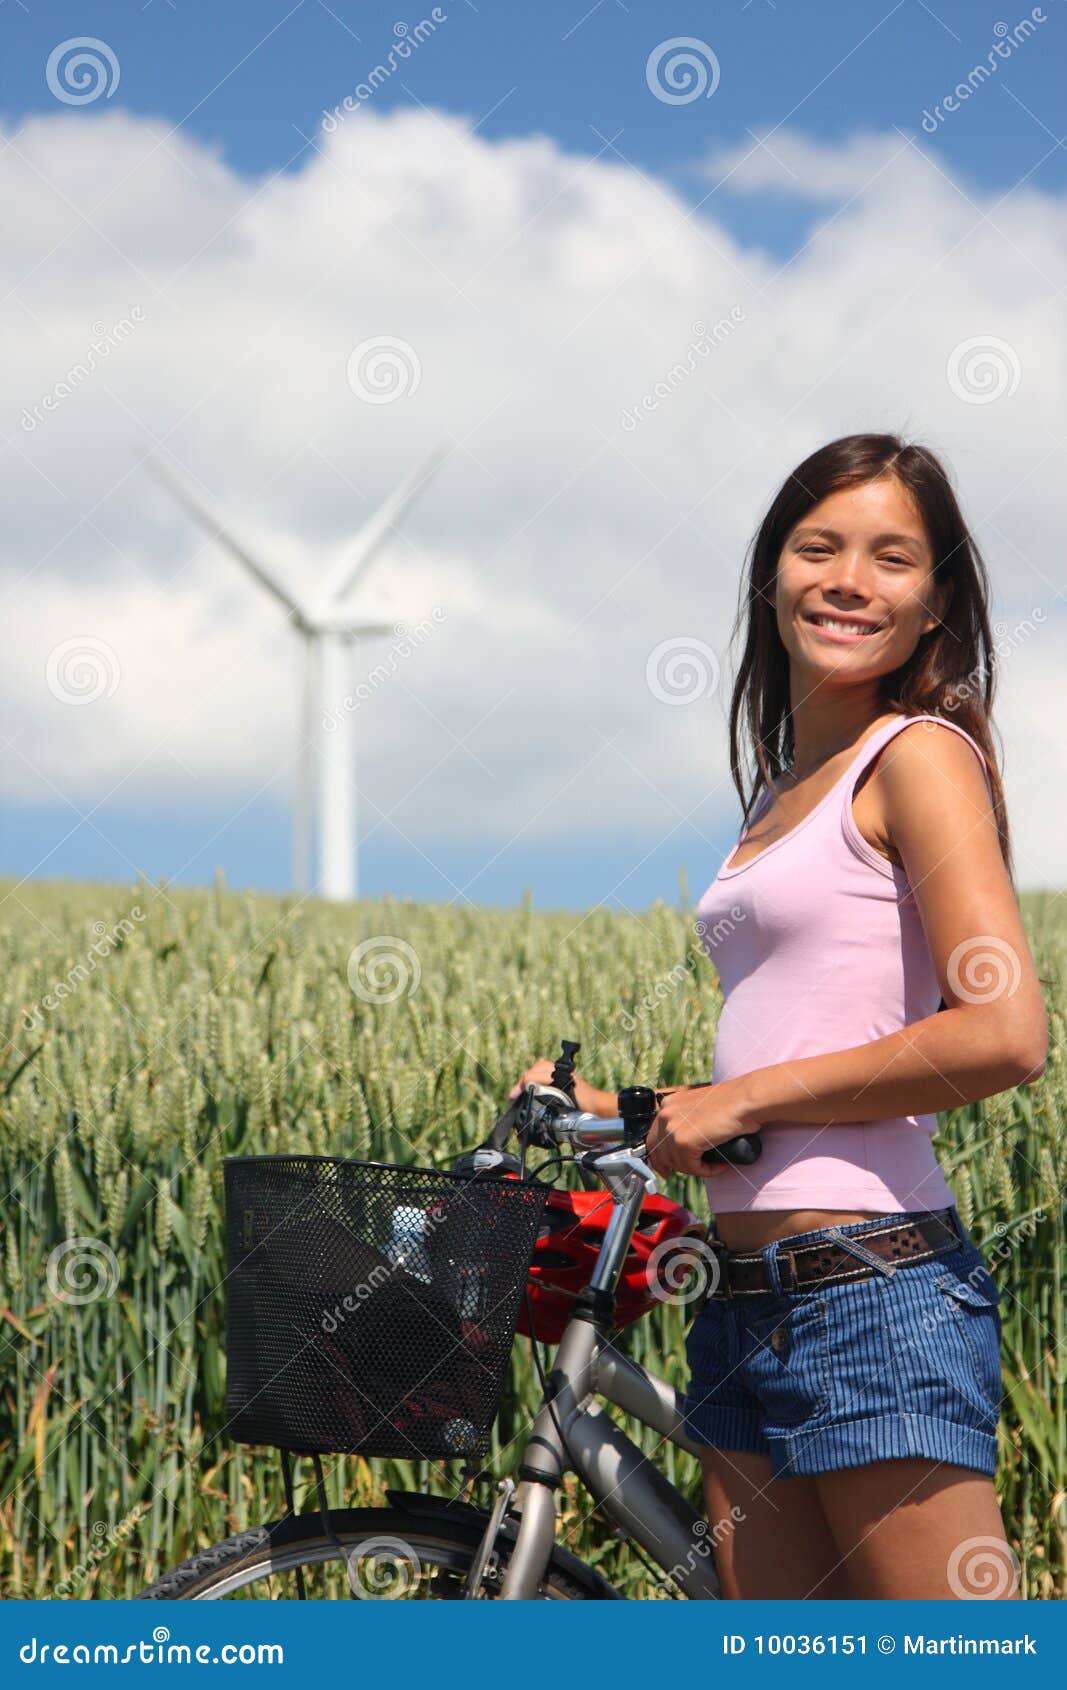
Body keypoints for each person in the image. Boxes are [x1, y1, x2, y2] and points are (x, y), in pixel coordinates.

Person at [511, 433, 1047, 1599]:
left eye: (891, 557)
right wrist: (617, 1107)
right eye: (819, 547)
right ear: (771, 575)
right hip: (741, 1300)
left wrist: (739, 1097)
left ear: (935, 601)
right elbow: (806, 1042)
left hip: (870, 1287)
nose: (849, 578)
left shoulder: (916, 758)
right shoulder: (779, 789)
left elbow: (1002, 1034)